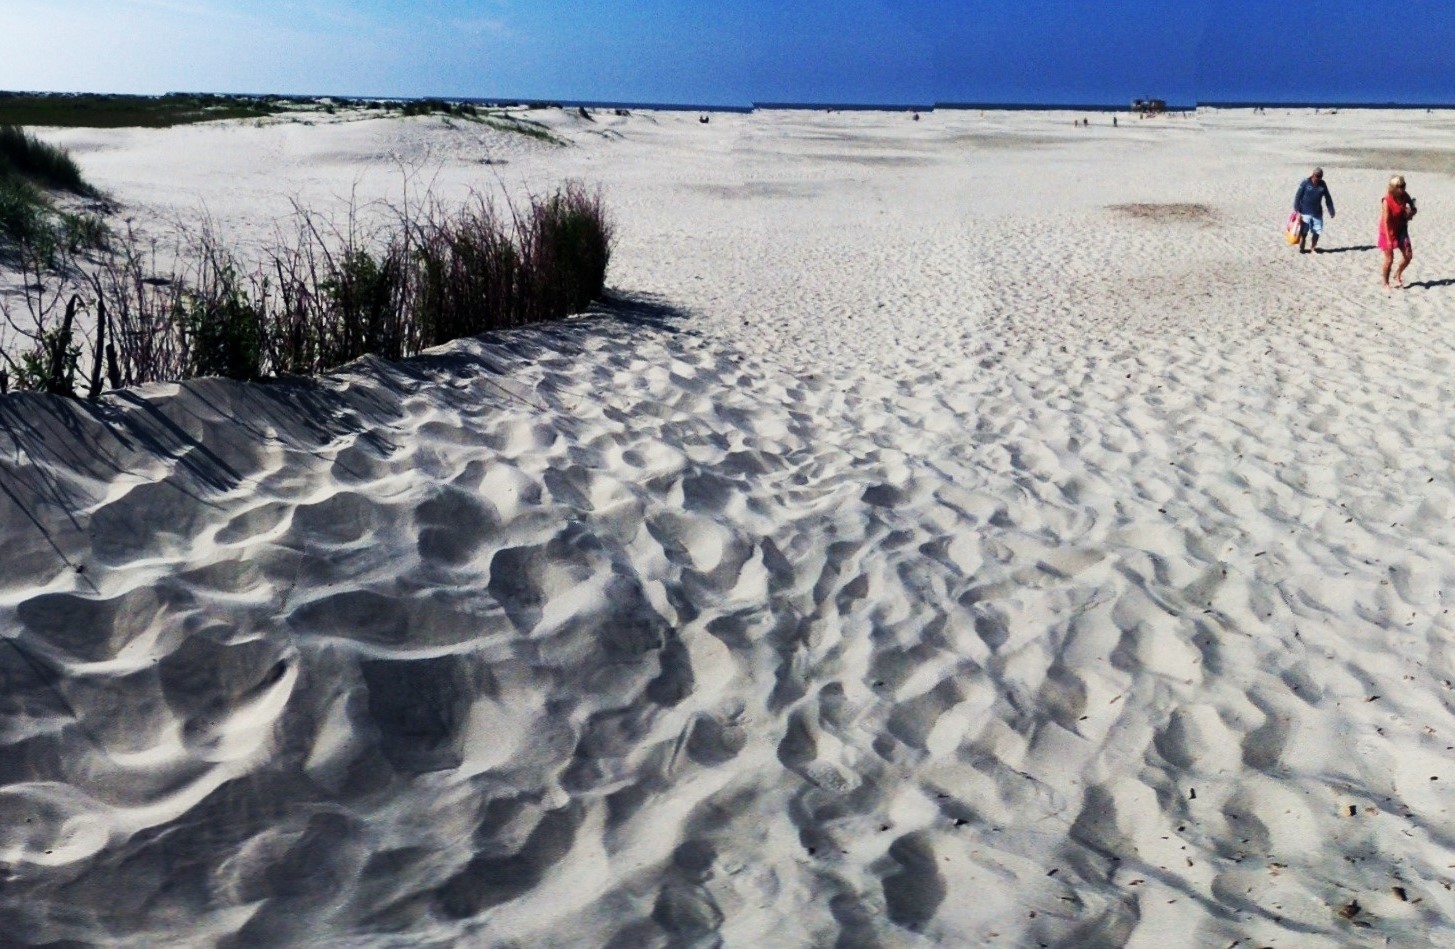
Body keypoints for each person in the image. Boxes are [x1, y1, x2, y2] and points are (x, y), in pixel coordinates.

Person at [1380, 175, 1417, 288]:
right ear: (1393, 187)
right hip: (1388, 230)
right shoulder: (1387, 200)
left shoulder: (1405, 196)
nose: (1402, 189)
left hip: (1401, 229)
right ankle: (1385, 282)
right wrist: (1388, 239)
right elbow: (1385, 221)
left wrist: (1411, 213)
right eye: (1399, 187)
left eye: (1403, 186)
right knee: (1389, 259)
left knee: (1408, 255)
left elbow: (1414, 208)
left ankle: (1397, 274)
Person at [1292, 167, 1335, 253]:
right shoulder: (1305, 182)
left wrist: (1331, 210)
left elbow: (1328, 197)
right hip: (1305, 211)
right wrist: (1297, 211)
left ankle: (1313, 248)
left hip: (1317, 212)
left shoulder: (1323, 184)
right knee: (1304, 231)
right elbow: (1298, 196)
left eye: (1320, 177)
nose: (1318, 178)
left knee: (1317, 231)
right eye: (1317, 176)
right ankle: (1302, 245)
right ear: (1313, 175)